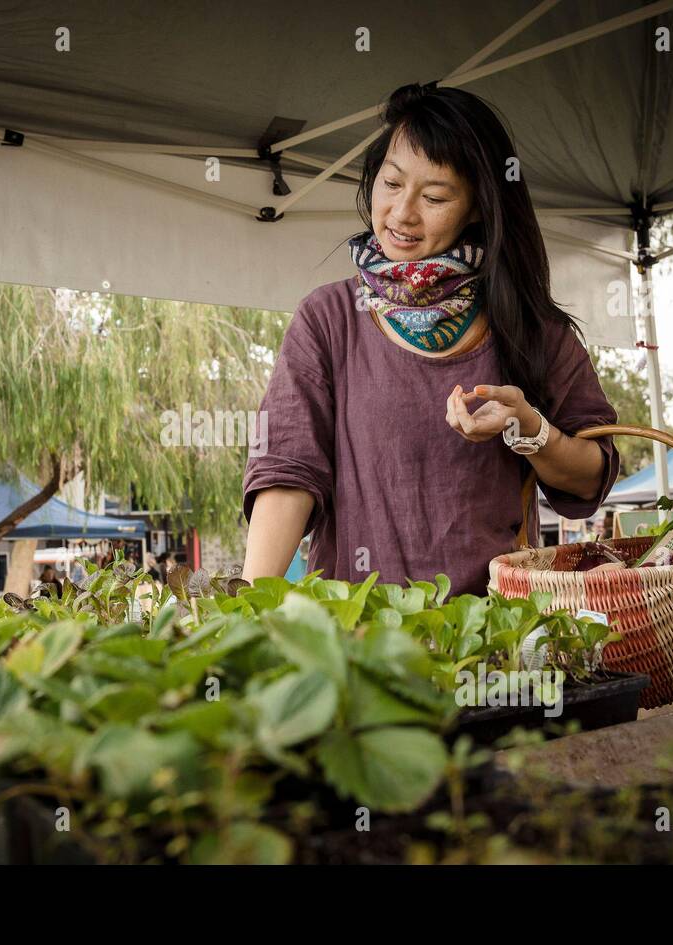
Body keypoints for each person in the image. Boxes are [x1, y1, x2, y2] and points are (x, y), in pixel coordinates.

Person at [241, 83, 619, 596]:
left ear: (479, 207)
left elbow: (591, 478)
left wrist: (528, 426)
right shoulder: (328, 319)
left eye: (435, 196)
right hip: (354, 642)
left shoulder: (534, 333)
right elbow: (288, 474)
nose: (401, 213)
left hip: (491, 644)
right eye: (391, 183)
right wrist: (246, 615)